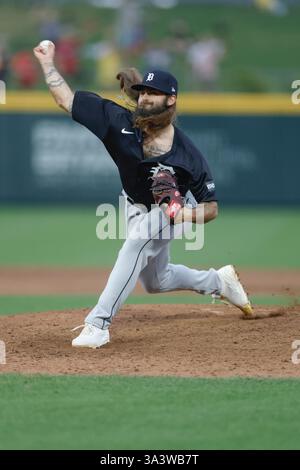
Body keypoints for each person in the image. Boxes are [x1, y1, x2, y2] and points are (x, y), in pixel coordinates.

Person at [33, 41, 253, 349]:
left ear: (171, 100)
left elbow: (211, 208)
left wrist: (183, 213)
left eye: (154, 93)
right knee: (156, 281)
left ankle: (98, 323)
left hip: (170, 208)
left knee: (137, 241)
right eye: (144, 92)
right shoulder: (117, 121)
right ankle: (219, 282)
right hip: (132, 201)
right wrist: (47, 63)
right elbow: (65, 100)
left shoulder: (186, 154)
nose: (146, 97)